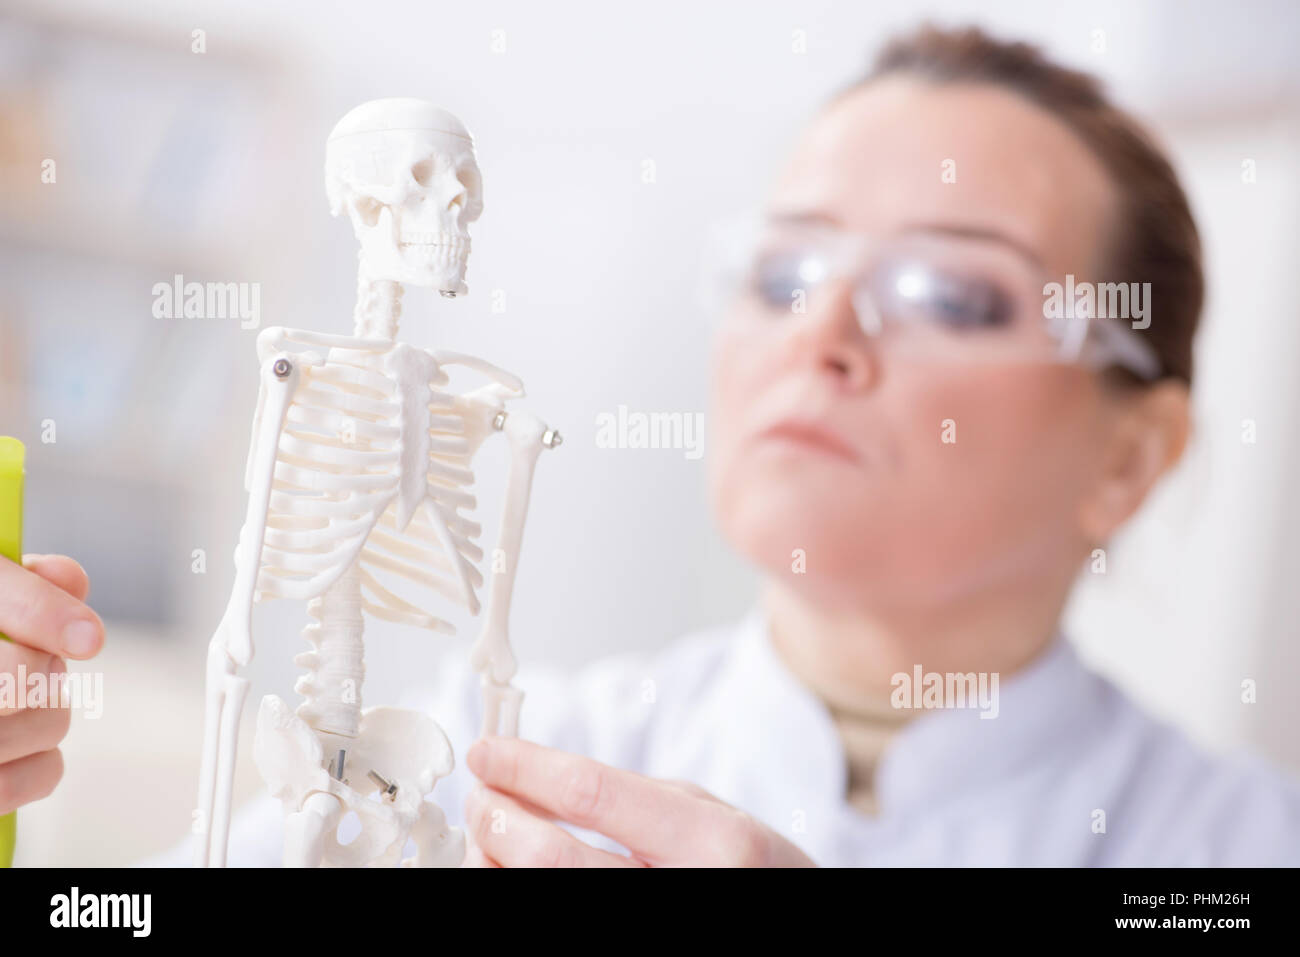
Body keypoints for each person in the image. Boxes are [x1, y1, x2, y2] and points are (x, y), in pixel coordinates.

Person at [7, 24, 1299, 867]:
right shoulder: (480, 756)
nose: (823, 332)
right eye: (782, 270)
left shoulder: (1235, 855)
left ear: (1134, 455)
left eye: (949, 293)